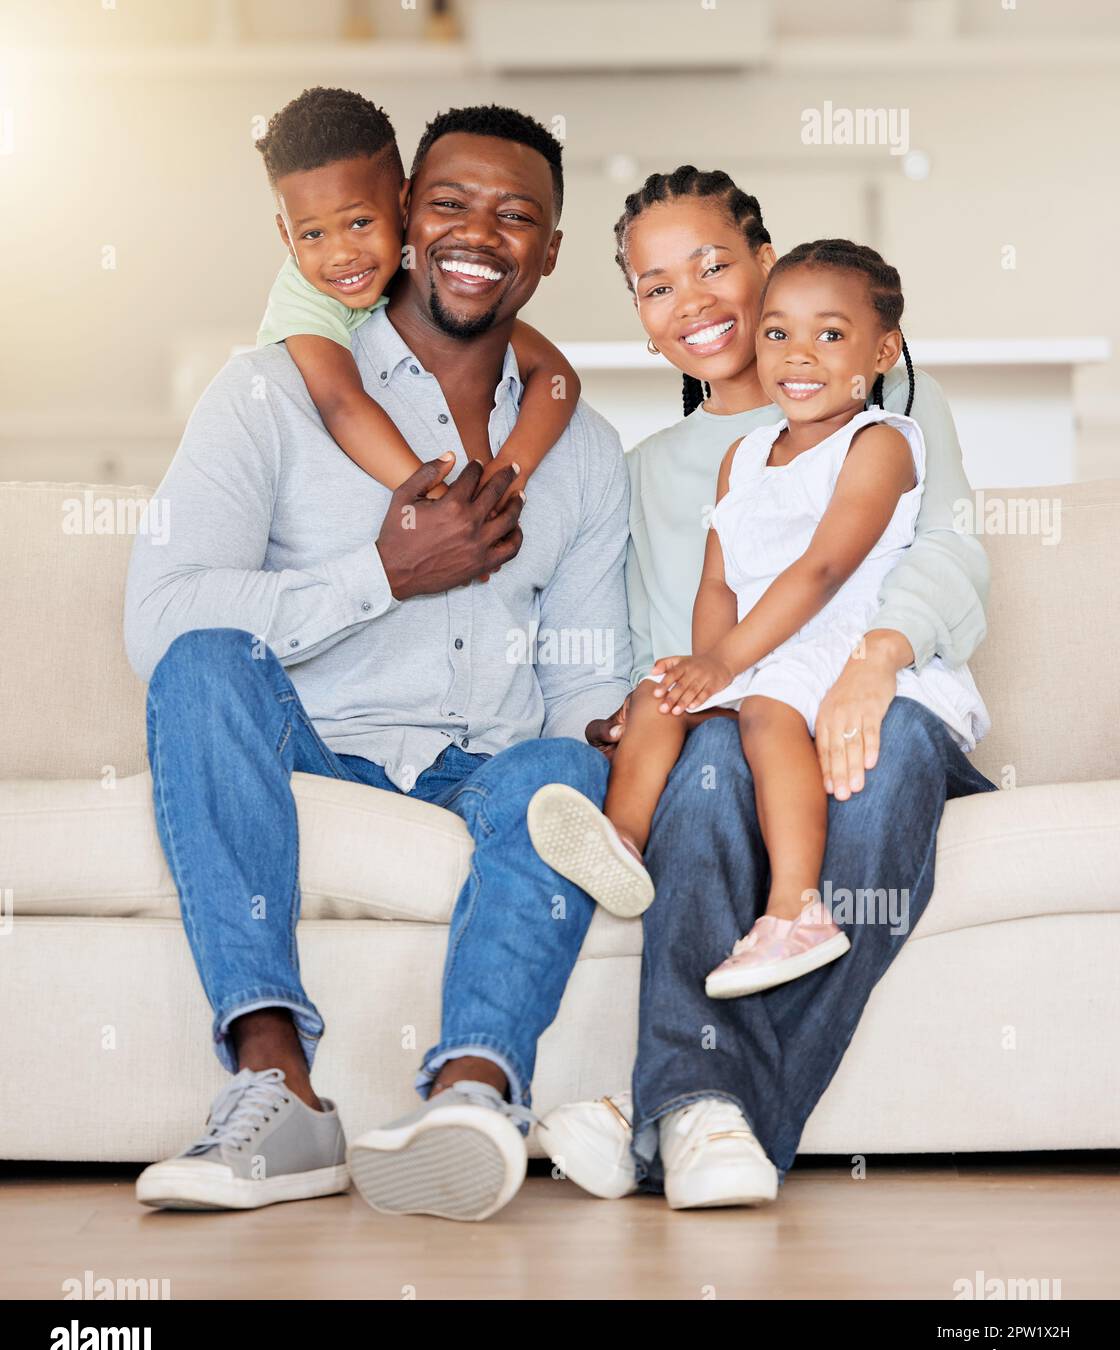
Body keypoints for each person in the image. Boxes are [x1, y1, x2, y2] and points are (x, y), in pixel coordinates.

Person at [123, 102, 632, 1223]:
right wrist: (382, 574)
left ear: (547, 255)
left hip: (484, 765)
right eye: (448, 203)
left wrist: (617, 740)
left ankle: (474, 1093)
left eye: (516, 217)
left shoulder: (586, 454)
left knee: (567, 771)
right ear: (403, 217)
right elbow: (159, 620)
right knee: (203, 661)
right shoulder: (265, 391)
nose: (476, 233)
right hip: (311, 749)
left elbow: (589, 670)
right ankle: (277, 1091)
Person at [538, 168, 998, 1213]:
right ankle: (696, 1109)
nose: (692, 301)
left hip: (885, 683)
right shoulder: (666, 466)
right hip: (739, 701)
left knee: (874, 772)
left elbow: (949, 562)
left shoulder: (895, 414)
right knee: (702, 774)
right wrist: (660, 699)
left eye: (712, 266)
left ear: (764, 267)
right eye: (655, 286)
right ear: (642, 319)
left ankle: (673, 1109)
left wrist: (871, 661)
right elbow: (670, 629)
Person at [253, 87, 580, 507]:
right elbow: (342, 405)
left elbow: (557, 373)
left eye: (360, 222)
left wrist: (511, 469)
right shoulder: (307, 305)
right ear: (287, 236)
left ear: (402, 206)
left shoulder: (400, 266)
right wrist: (440, 501)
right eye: (313, 234)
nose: (343, 255)